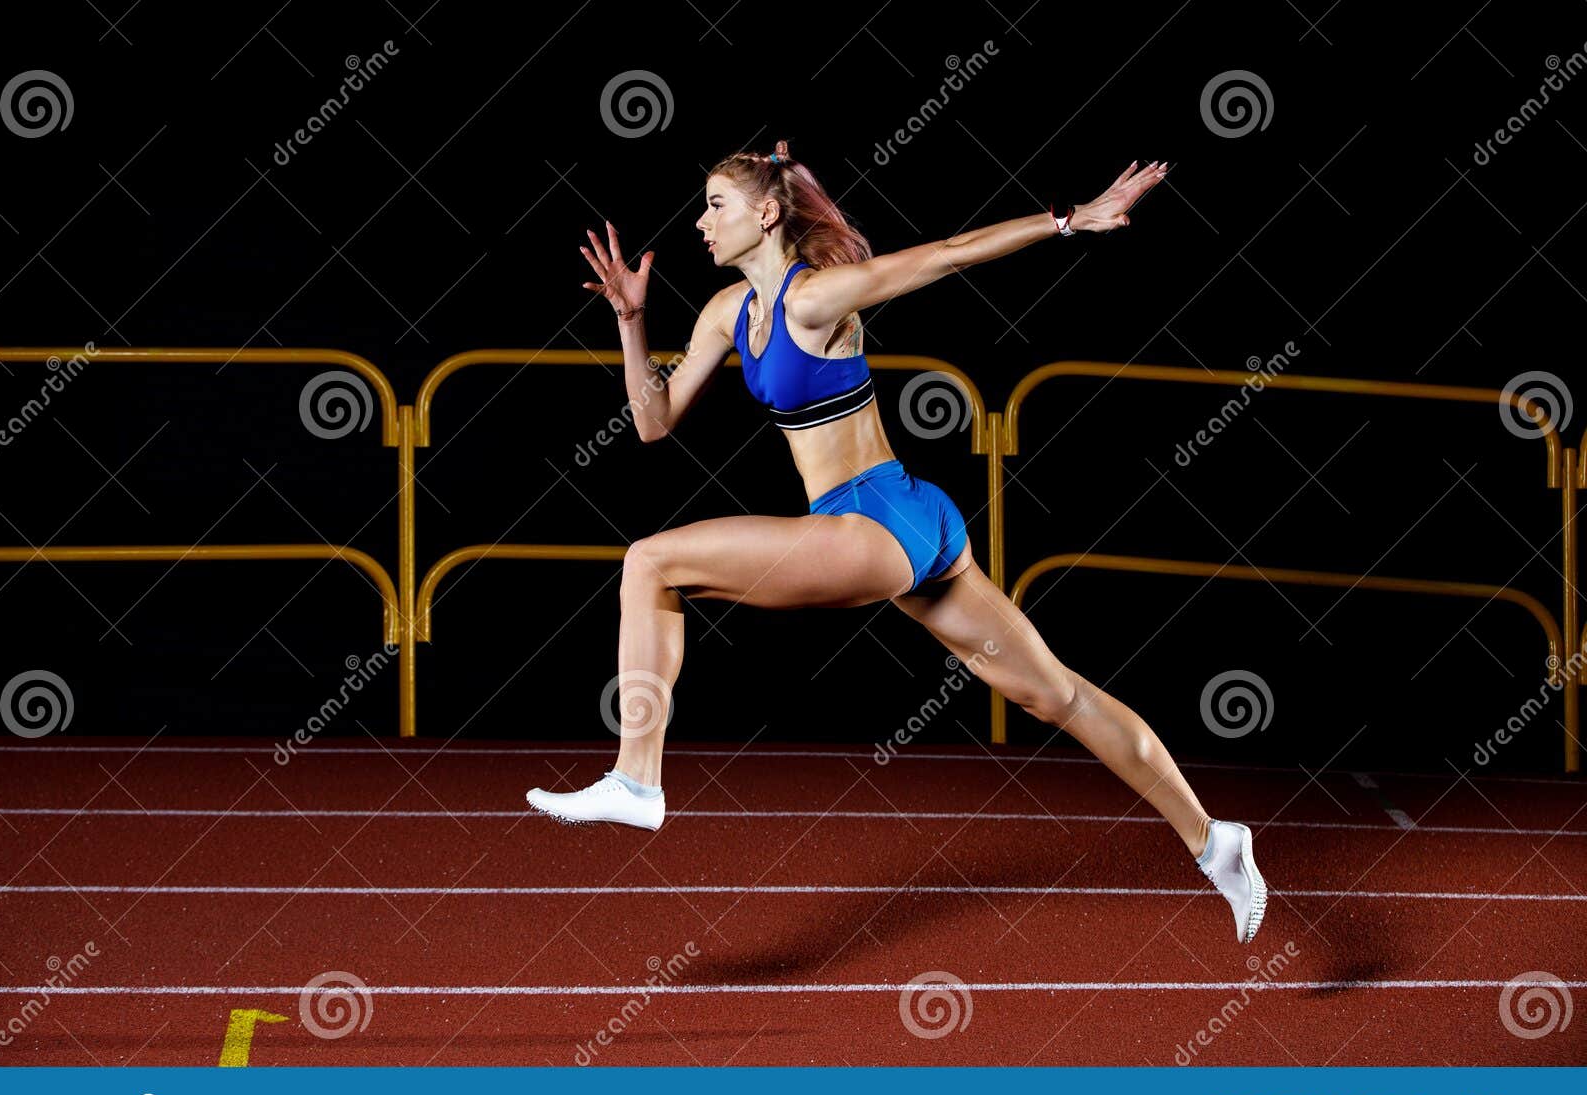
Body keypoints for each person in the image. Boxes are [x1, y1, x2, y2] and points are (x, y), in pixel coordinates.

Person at [526, 140, 1266, 943]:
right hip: (913, 518)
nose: (701, 221)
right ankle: (1214, 840)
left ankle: (637, 778)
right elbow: (651, 421)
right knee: (1055, 694)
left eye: (716, 204)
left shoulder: (818, 299)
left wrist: (1068, 220)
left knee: (651, 560)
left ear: (765, 213)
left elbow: (946, 255)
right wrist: (632, 323)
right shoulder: (723, 314)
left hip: (874, 520)